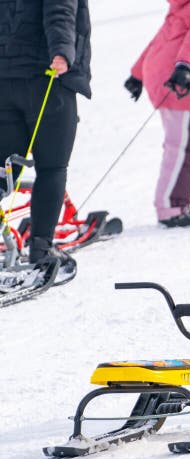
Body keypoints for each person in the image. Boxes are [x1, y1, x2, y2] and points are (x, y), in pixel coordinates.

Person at [124, 0, 190, 228]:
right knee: (183, 146)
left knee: (178, 144)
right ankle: (172, 207)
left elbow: (166, 34)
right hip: (179, 75)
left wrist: (138, 73)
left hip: (163, 69)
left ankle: (171, 203)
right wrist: (185, 66)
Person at [0, 0, 91, 266]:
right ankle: (41, 248)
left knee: (4, 171)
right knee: (52, 167)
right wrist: (62, 50)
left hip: (4, 81)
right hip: (46, 78)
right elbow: (60, 10)